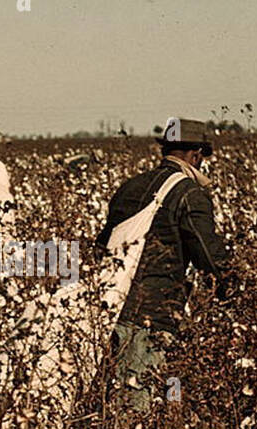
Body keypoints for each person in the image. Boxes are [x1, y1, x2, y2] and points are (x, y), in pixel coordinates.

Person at [94, 117, 235, 412]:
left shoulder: (129, 188)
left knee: (111, 395)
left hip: (110, 309)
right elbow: (209, 258)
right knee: (139, 402)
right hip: (152, 314)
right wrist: (235, 292)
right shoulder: (190, 194)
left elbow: (100, 247)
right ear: (197, 155)